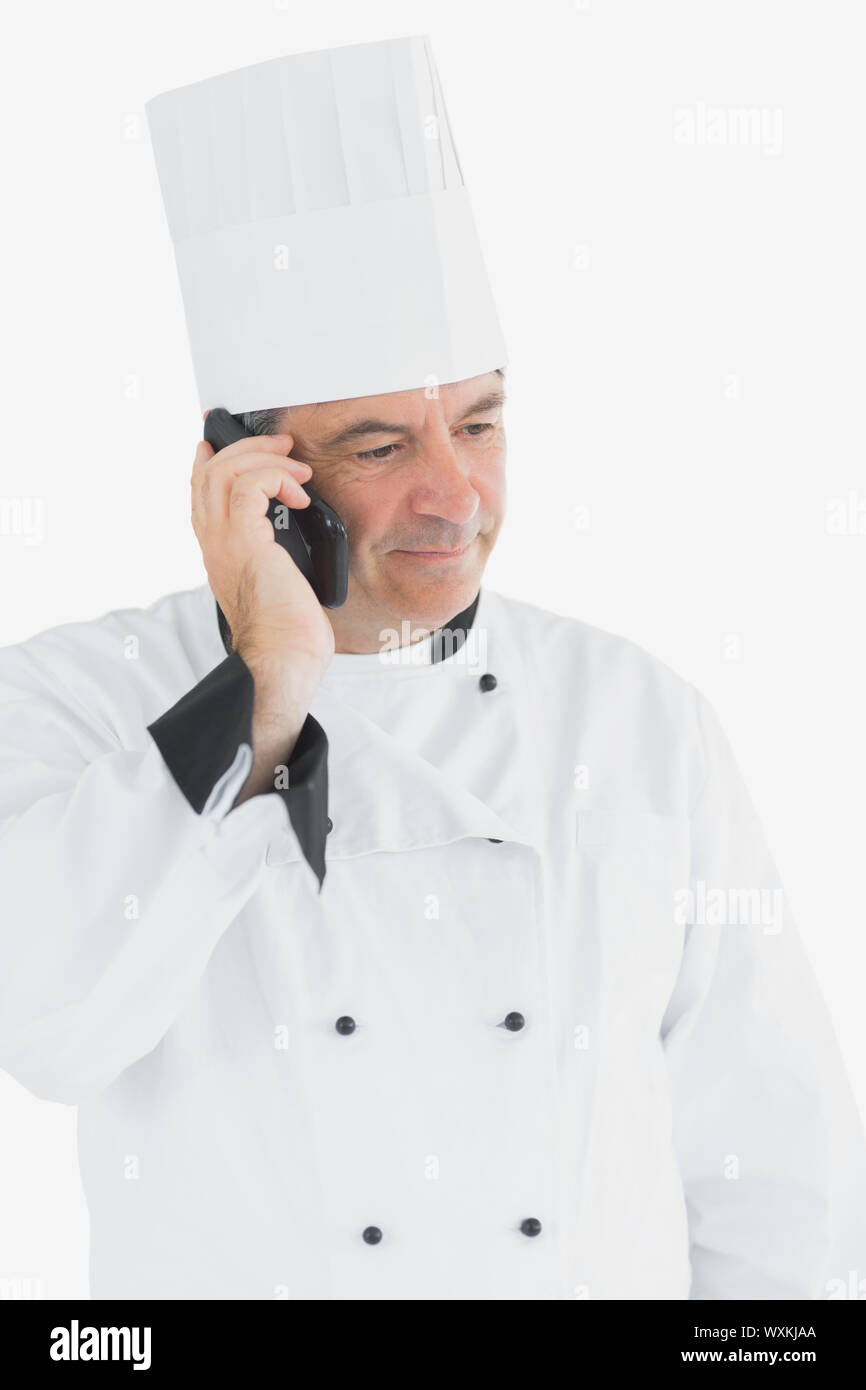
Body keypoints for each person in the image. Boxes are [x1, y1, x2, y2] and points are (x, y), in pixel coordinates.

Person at [1, 37, 864, 1302]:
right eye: (378, 444)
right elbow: (53, 1028)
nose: (454, 493)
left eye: (477, 421)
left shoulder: (637, 721)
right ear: (257, 475)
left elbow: (770, 1167)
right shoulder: (79, 701)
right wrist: (267, 678)